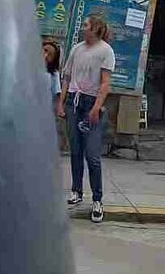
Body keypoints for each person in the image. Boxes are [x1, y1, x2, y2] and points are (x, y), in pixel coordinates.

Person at [57, 15, 115, 223]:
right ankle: (76, 191)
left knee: (92, 156)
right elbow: (66, 76)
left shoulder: (105, 51)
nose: (83, 28)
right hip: (74, 101)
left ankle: (97, 200)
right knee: (75, 151)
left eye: (86, 25)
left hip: (91, 104)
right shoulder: (77, 48)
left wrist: (97, 108)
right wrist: (61, 102)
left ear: (96, 29)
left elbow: (105, 83)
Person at [42, 40, 62, 105]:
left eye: (50, 54)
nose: (46, 55)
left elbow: (57, 94)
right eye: (45, 50)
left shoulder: (54, 74)